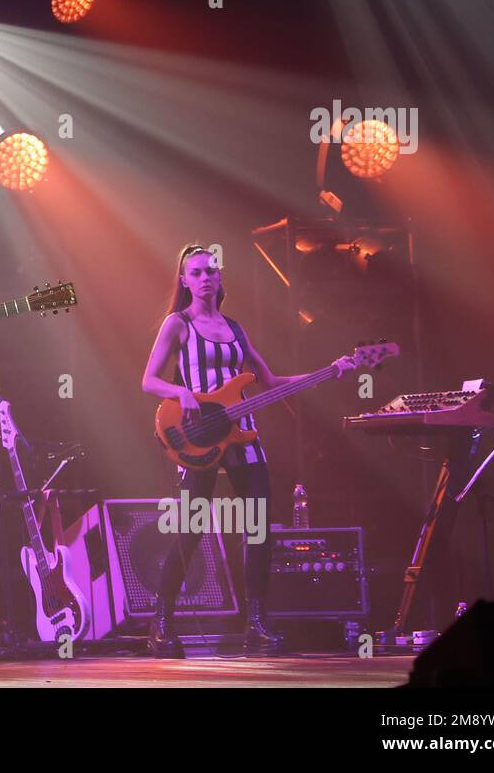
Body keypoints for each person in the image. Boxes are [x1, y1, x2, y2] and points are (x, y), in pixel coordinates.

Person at [141, 244, 354, 658]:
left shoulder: (236, 330)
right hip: (198, 435)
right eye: (197, 272)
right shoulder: (177, 323)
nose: (205, 277)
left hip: (244, 436)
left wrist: (331, 371)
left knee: (257, 530)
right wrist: (181, 390)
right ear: (184, 280)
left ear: (220, 279)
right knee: (189, 529)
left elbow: (271, 381)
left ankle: (255, 623)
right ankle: (161, 622)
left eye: (211, 271)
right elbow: (149, 381)